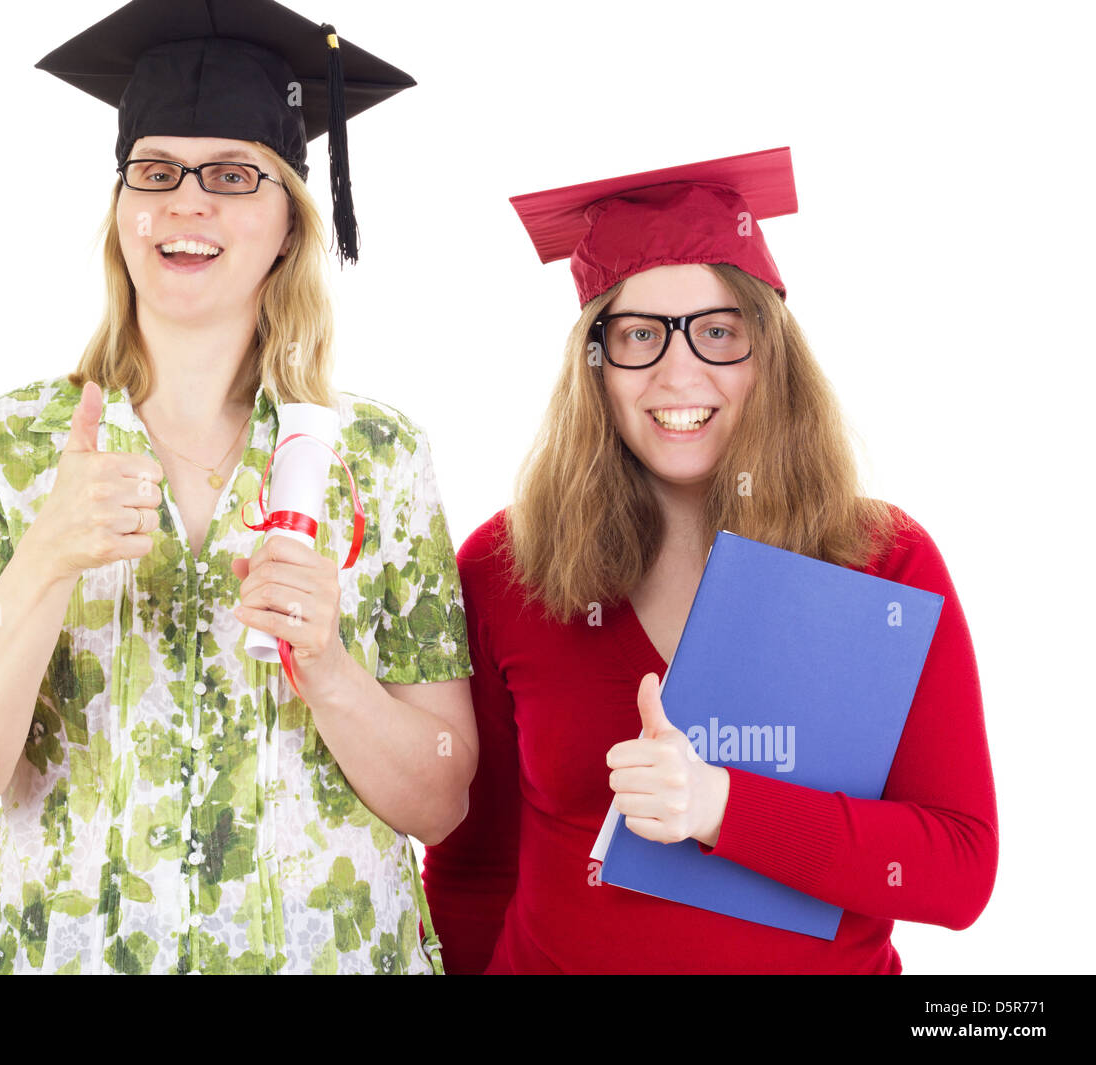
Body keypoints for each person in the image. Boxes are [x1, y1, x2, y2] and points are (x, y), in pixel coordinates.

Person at [0, 0, 476, 975]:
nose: (186, 203)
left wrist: (329, 668)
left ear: (290, 221)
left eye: (234, 176)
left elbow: (442, 796)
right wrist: (45, 559)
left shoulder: (376, 454)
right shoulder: (8, 444)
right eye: (154, 172)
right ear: (123, 208)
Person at [421, 147, 998, 974]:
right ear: (596, 367)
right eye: (639, 335)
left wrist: (724, 805)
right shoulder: (508, 566)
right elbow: (475, 865)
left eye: (719, 331)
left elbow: (958, 867)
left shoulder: (883, 566)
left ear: (770, 355)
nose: (678, 371)